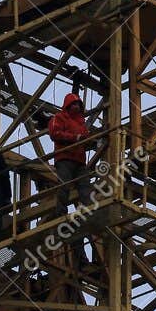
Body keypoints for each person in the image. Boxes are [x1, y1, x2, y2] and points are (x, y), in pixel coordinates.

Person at [47, 92, 95, 265]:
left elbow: (85, 138)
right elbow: (54, 133)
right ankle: (61, 212)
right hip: (65, 159)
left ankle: (88, 210)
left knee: (85, 189)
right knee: (64, 187)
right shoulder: (58, 117)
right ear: (67, 106)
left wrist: (89, 140)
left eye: (78, 105)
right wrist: (75, 138)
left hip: (79, 161)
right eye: (74, 104)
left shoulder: (81, 123)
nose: (77, 107)